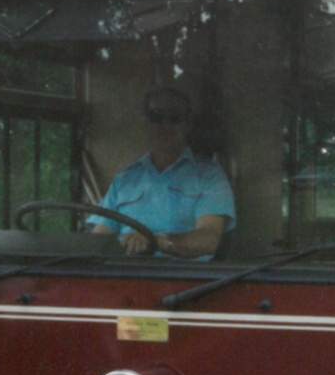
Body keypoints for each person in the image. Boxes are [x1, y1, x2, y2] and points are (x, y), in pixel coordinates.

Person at [88, 86, 234, 258]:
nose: (165, 125)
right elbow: (98, 240)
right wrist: (125, 243)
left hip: (186, 281)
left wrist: (154, 242)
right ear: (146, 122)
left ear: (187, 124)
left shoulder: (210, 176)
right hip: (124, 276)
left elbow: (208, 238)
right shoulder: (124, 180)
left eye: (175, 118)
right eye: (156, 117)